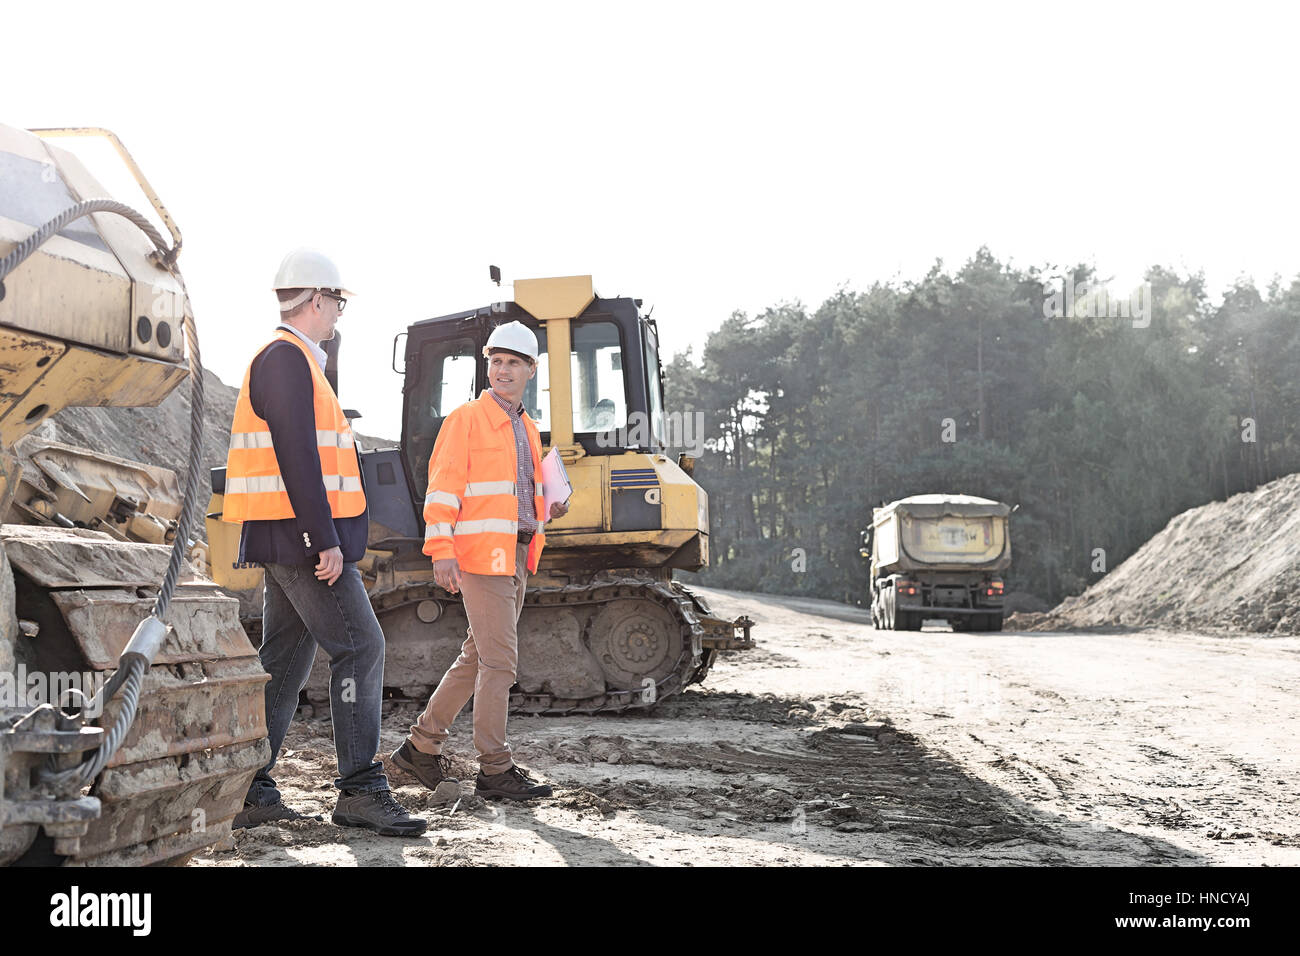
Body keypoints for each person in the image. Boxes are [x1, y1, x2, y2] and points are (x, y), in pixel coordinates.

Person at [224, 248, 425, 836]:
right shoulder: (286, 361)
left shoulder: (298, 361)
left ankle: (248, 787)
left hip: (284, 535)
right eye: (337, 301)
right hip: (299, 538)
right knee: (361, 646)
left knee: (287, 657)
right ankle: (360, 789)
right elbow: (297, 458)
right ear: (316, 300)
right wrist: (322, 538)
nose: (339, 312)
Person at [390, 320, 569, 801]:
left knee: (476, 657)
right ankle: (495, 768)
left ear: (531, 369)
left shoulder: (527, 427)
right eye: (496, 362)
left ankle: (419, 749)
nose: (503, 371)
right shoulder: (466, 420)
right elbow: (441, 493)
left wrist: (552, 503)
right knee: (500, 662)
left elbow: (520, 496)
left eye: (513, 363)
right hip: (481, 556)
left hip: (517, 552)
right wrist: (442, 552)